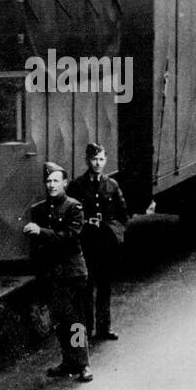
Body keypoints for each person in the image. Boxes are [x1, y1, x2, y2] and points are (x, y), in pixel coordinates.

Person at [24, 162, 92, 382]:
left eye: (55, 181)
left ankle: (83, 364)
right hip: (53, 275)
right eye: (48, 181)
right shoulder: (40, 209)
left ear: (64, 183)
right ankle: (67, 361)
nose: (51, 185)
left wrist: (41, 231)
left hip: (72, 274)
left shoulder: (74, 207)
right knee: (60, 321)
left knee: (76, 321)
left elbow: (70, 238)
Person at [67, 143, 128, 342]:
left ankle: (104, 329)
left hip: (105, 243)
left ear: (106, 160)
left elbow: (122, 214)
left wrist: (116, 232)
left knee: (104, 286)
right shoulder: (77, 185)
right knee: (86, 287)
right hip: (86, 242)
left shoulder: (112, 185)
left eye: (101, 159)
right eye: (94, 159)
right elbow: (71, 214)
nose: (98, 163)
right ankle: (87, 330)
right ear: (87, 161)